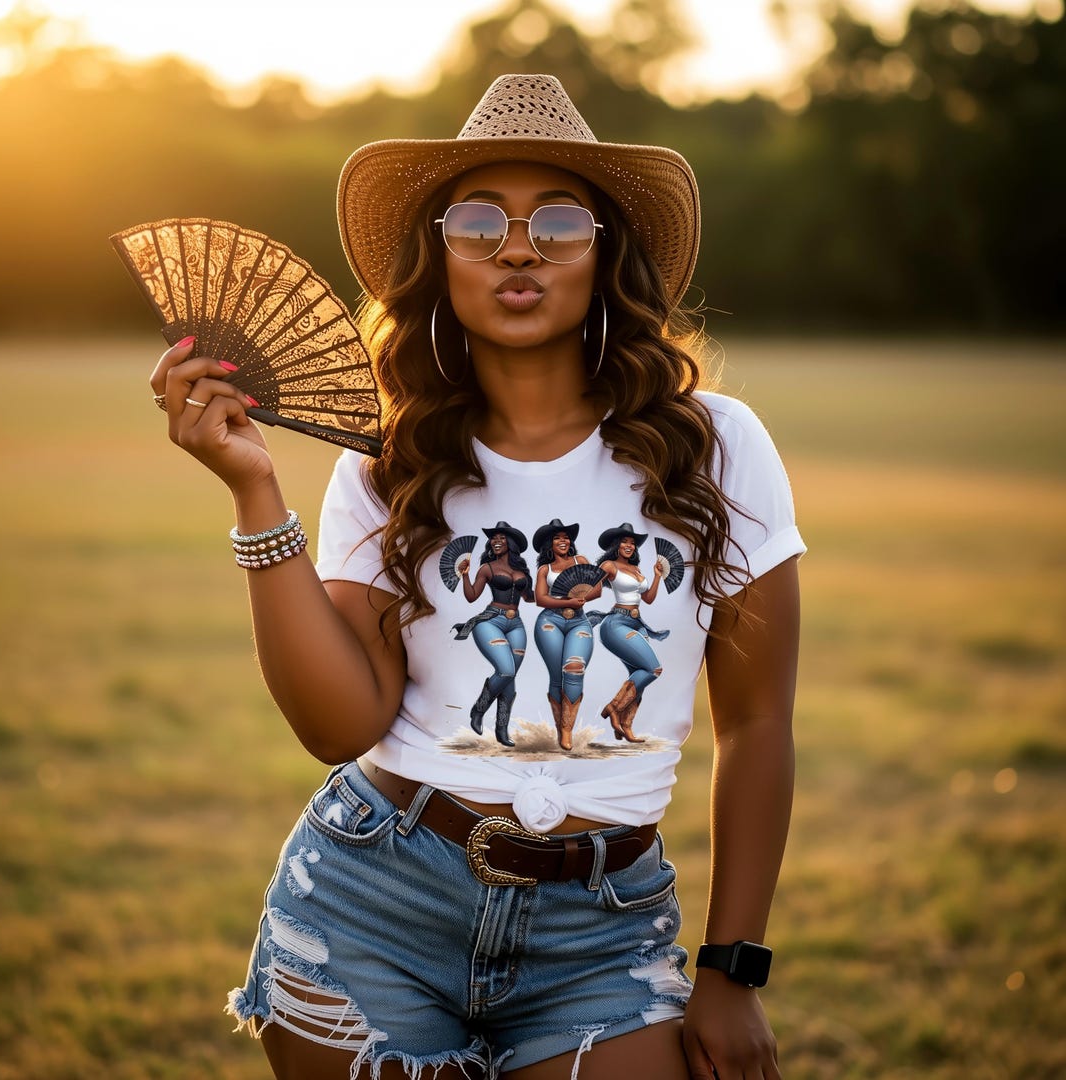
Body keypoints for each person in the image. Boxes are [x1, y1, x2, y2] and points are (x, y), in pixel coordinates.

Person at [149, 74, 805, 1080]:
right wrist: (254, 493)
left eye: (557, 220)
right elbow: (337, 726)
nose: (516, 245)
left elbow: (756, 724)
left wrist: (732, 967)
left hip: (605, 926)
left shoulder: (716, 446)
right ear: (438, 257)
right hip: (374, 900)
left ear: (605, 253)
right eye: (476, 220)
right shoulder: (385, 462)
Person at [453, 522, 535, 746]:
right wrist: (466, 576)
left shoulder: (522, 571)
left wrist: (557, 590)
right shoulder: (487, 568)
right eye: (493, 537)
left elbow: (530, 598)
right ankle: (478, 710)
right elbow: (471, 597)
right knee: (506, 670)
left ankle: (502, 729)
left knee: (510, 678)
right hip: (490, 620)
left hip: (516, 624)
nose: (496, 541)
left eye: (502, 537)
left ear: (512, 543)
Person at [530, 518, 603, 751]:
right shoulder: (545, 570)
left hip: (579, 621)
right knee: (555, 676)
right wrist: (567, 600)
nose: (563, 541)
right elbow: (541, 599)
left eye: (565, 537)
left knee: (574, 669)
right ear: (548, 544)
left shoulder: (581, 561)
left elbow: (597, 588)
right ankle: (560, 728)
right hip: (550, 622)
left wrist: (581, 599)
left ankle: (567, 729)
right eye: (556, 538)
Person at [595, 524, 669, 744]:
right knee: (653, 668)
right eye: (624, 541)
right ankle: (614, 707)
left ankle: (626, 726)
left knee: (641, 675)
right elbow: (592, 587)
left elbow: (648, 599)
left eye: (632, 542)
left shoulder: (637, 571)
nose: (628, 545)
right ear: (616, 545)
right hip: (615, 624)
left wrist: (657, 576)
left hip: (635, 624)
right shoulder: (609, 565)